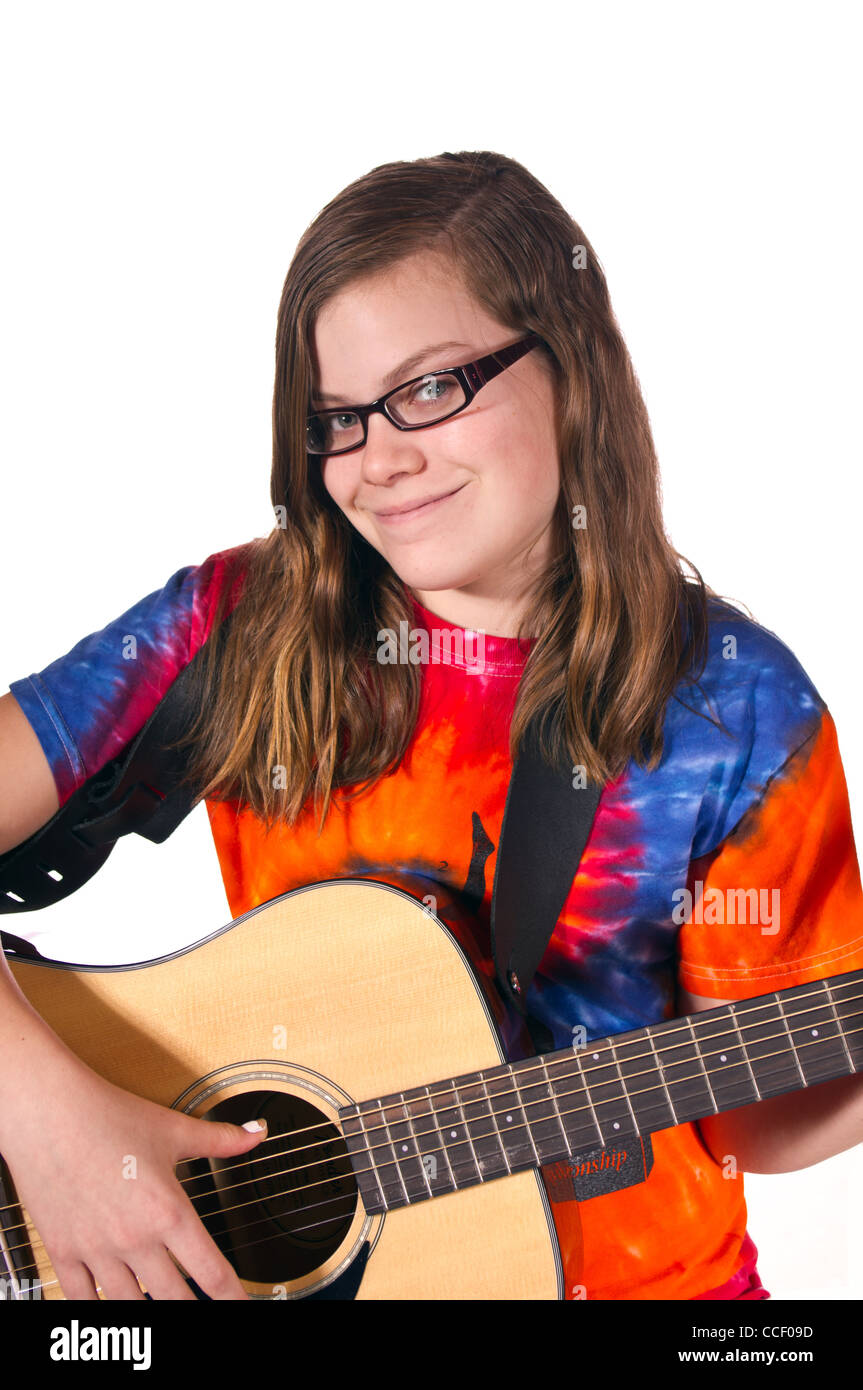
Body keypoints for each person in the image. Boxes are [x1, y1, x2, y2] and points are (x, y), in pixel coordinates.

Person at [1, 149, 862, 1302]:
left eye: (426, 390)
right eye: (336, 419)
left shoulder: (731, 703)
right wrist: (49, 1121)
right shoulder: (236, 629)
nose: (380, 460)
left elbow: (756, 1117)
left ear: (573, 365)